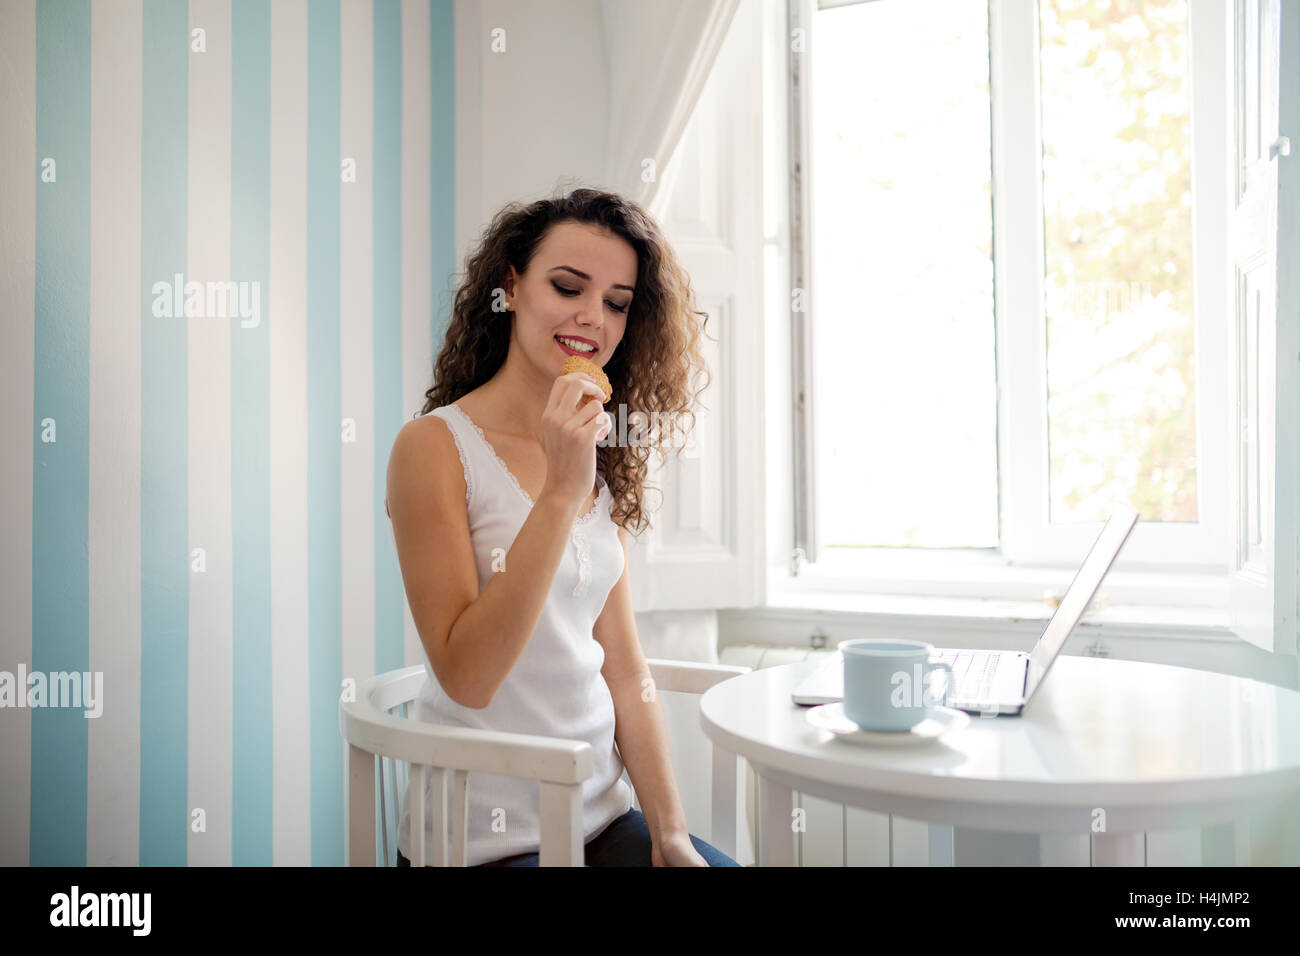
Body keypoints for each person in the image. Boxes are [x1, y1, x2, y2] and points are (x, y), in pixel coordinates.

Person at [386, 186, 739, 867]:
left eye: (617, 302)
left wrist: (668, 833)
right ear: (511, 287)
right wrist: (558, 493)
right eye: (568, 287)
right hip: (478, 842)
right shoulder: (432, 448)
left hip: (600, 821)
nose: (592, 317)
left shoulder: (599, 456)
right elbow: (468, 678)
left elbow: (624, 667)